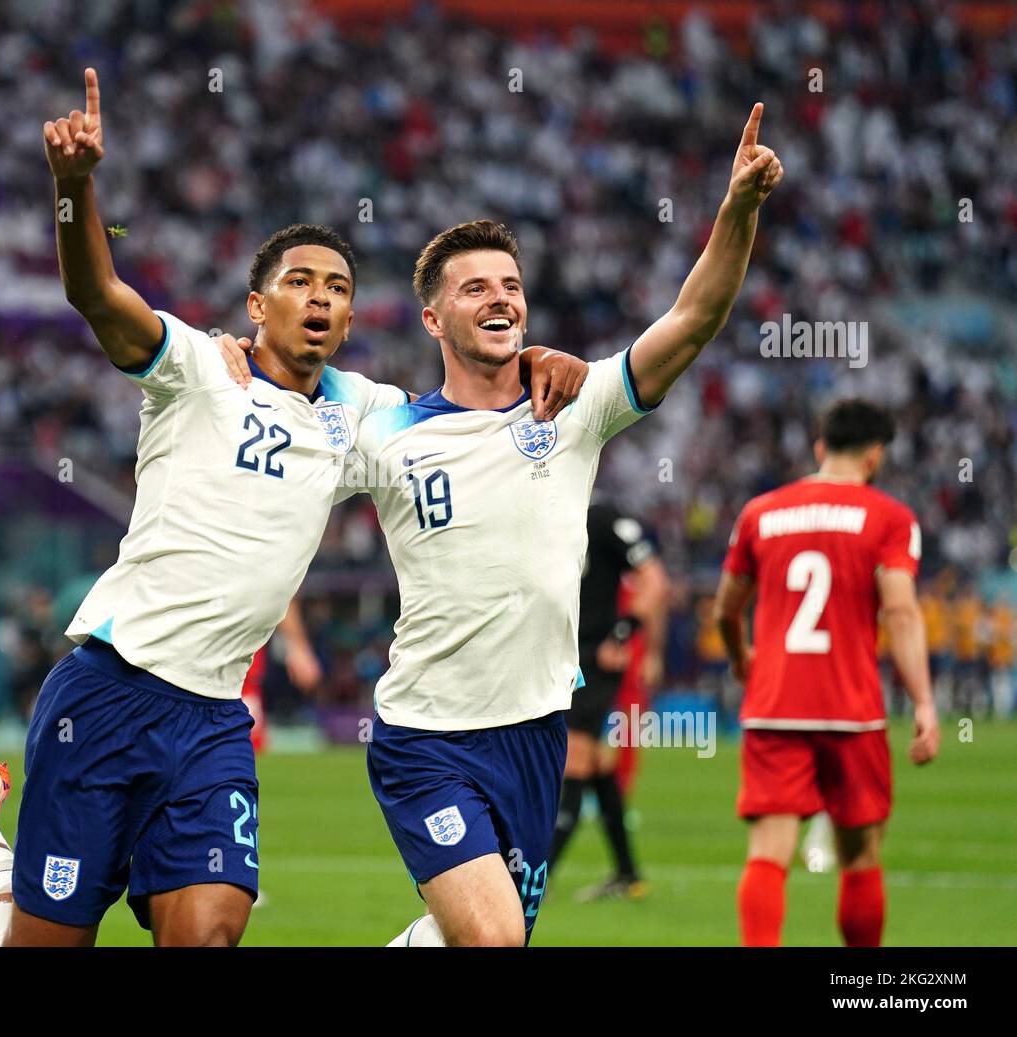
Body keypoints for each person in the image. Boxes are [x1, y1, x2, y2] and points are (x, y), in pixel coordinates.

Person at [0, 68, 587, 948]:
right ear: (257, 306)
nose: (321, 295)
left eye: (337, 286)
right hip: (108, 689)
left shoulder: (365, 411)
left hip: (214, 718)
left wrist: (538, 359)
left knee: (208, 935)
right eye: (300, 281)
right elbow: (96, 295)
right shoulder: (197, 369)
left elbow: (468, 408)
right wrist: (74, 185)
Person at [348, 102, 783, 947]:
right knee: (494, 937)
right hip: (425, 736)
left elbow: (691, 321)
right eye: (474, 287)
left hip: (538, 734)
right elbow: (286, 434)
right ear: (434, 320)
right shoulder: (388, 432)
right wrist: (230, 349)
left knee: (486, 939)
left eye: (510, 284)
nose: (499, 297)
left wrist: (738, 210)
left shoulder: (573, 408)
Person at [713, 398, 941, 947]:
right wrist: (926, 704)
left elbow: (724, 608)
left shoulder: (760, 513)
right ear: (876, 455)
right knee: (860, 856)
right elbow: (902, 611)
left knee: (769, 854)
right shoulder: (889, 518)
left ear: (820, 448)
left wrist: (741, 656)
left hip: (775, 705)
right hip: (852, 711)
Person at [547, 500, 669, 901]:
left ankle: (534, 884)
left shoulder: (602, 517)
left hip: (594, 660)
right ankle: (628, 874)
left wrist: (622, 634)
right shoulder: (549, 510)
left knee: (574, 762)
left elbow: (654, 580)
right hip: (563, 655)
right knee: (599, 766)